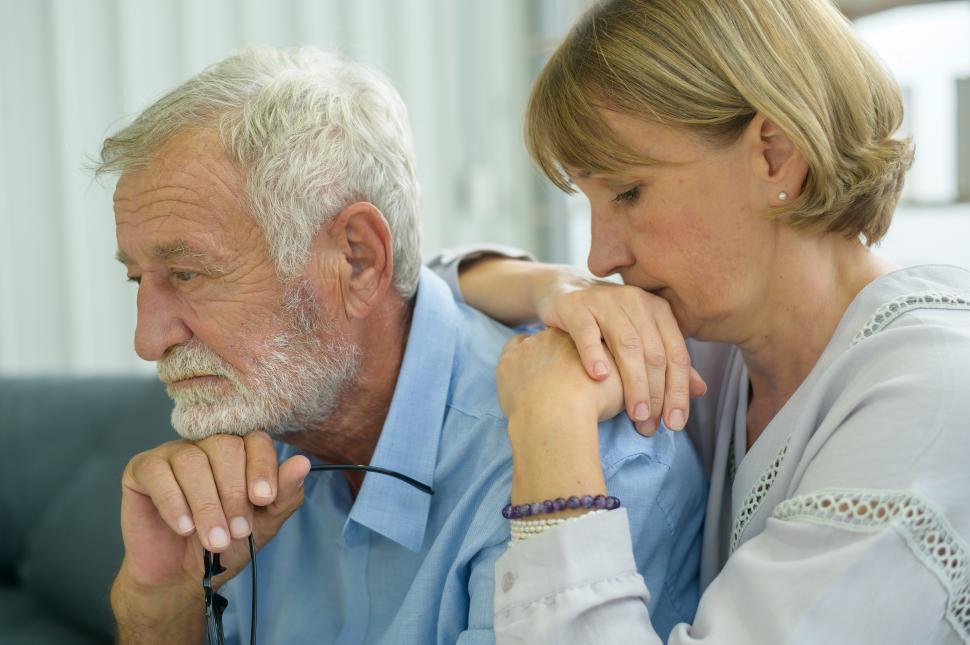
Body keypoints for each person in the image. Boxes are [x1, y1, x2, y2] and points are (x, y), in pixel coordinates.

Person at [100, 46, 707, 644]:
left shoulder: (582, 468)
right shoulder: (251, 445)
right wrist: (159, 607)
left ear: (358, 260)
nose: (148, 340)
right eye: (137, 279)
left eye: (188, 275)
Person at [430, 0, 970, 643]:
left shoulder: (934, 395)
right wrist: (557, 290)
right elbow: (431, 285)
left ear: (776, 154)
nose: (601, 255)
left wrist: (551, 430)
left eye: (629, 193)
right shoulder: (723, 348)